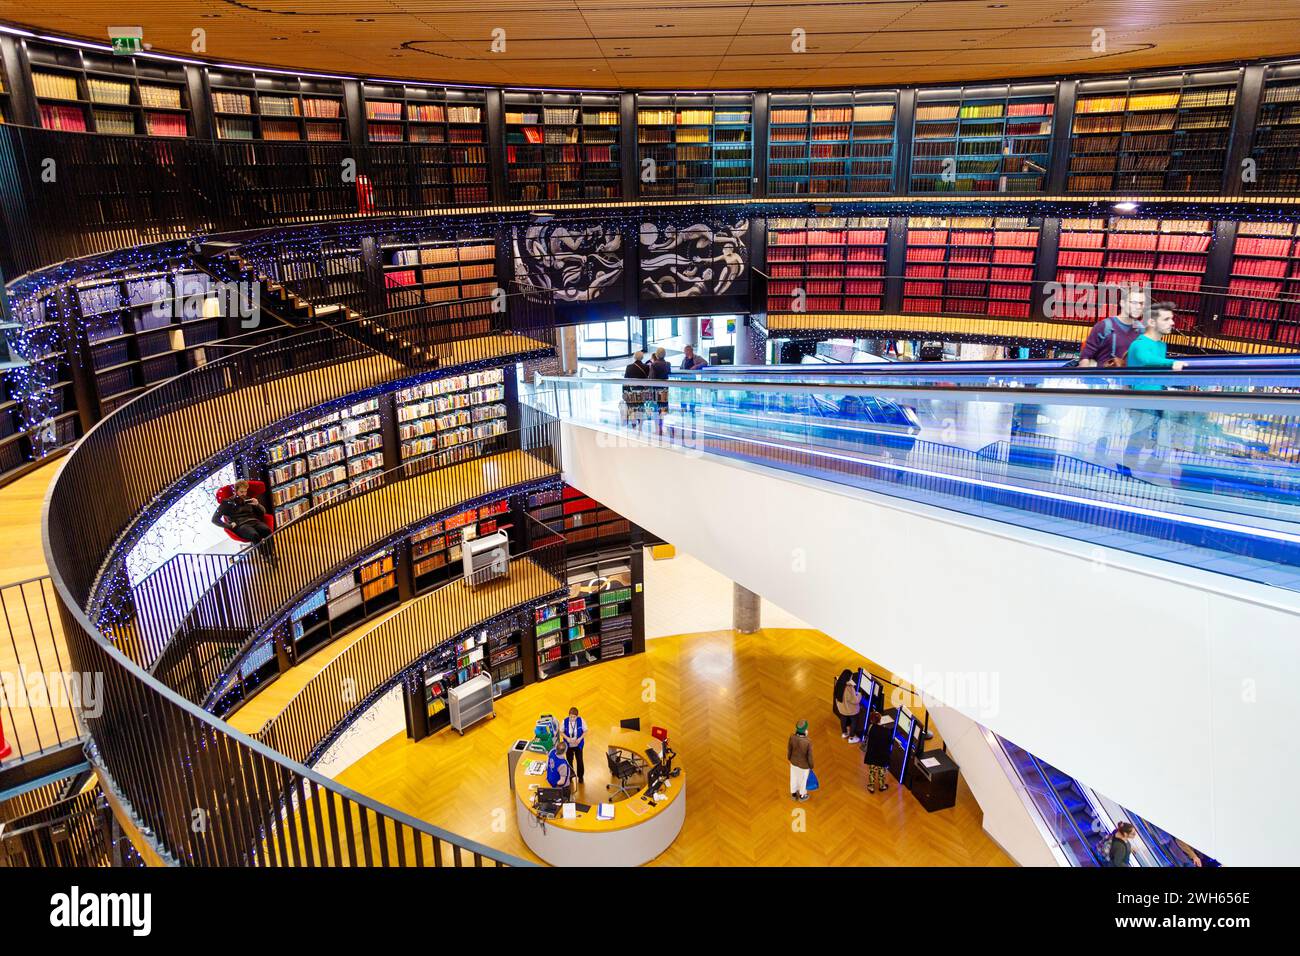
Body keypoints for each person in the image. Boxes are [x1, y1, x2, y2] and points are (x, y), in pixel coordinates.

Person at [1078, 286, 1148, 368]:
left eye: (1141, 303)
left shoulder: (1142, 331)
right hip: (1103, 378)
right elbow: (1085, 357)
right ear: (1122, 303)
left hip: (1130, 379)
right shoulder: (1104, 326)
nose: (1139, 307)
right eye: (1134, 303)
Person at [212, 480, 276, 562]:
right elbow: (214, 519)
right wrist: (229, 526)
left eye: (245, 491)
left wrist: (257, 505)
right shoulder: (227, 503)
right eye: (241, 492)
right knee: (254, 535)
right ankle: (266, 556)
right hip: (240, 525)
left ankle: (270, 553)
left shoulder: (248, 499)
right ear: (235, 491)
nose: (244, 494)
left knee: (267, 531)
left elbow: (262, 513)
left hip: (254, 521)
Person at [1125, 302, 1188, 373]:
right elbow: (1147, 359)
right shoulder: (1139, 343)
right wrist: (1172, 362)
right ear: (1152, 322)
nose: (1172, 323)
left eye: (1171, 318)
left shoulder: (1162, 344)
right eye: (1166, 319)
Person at [862, 710, 892, 793]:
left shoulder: (870, 727)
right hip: (882, 755)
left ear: (871, 720)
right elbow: (889, 742)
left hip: (872, 754)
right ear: (880, 720)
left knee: (872, 771)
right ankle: (882, 786)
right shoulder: (886, 731)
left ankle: (871, 786)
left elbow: (866, 735)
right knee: (881, 772)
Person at [621, 350, 649, 426]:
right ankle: (640, 424)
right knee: (640, 407)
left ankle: (634, 425)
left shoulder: (629, 367)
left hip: (632, 392)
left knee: (632, 408)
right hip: (641, 392)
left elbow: (625, 381)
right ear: (642, 357)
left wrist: (624, 392)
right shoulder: (646, 367)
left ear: (634, 357)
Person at [788, 719, 814, 801]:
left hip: (793, 762)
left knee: (794, 777)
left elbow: (789, 749)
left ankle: (793, 793)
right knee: (803, 780)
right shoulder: (808, 742)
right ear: (805, 730)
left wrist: (789, 758)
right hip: (804, 765)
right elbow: (809, 756)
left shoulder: (792, 737)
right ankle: (802, 795)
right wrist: (811, 765)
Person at [835, 669, 862, 742]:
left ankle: (844, 733)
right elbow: (855, 701)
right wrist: (859, 695)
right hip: (850, 709)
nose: (851, 678)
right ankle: (852, 737)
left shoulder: (838, 683)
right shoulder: (849, 688)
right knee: (854, 721)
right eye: (851, 677)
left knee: (843, 719)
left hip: (841, 708)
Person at [561, 706, 586, 784]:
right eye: (570, 717)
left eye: (574, 717)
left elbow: (585, 731)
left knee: (580, 761)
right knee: (569, 761)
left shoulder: (581, 720)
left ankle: (580, 776)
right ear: (569, 715)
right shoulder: (564, 721)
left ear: (577, 716)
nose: (572, 719)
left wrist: (580, 739)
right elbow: (561, 732)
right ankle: (571, 775)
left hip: (578, 744)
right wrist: (567, 738)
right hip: (568, 746)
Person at [648, 347, 671, 420]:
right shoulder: (668, 364)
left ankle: (658, 424)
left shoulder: (654, 364)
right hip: (665, 387)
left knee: (657, 406)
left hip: (656, 388)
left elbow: (651, 377)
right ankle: (662, 422)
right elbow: (669, 373)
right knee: (664, 405)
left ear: (657, 355)